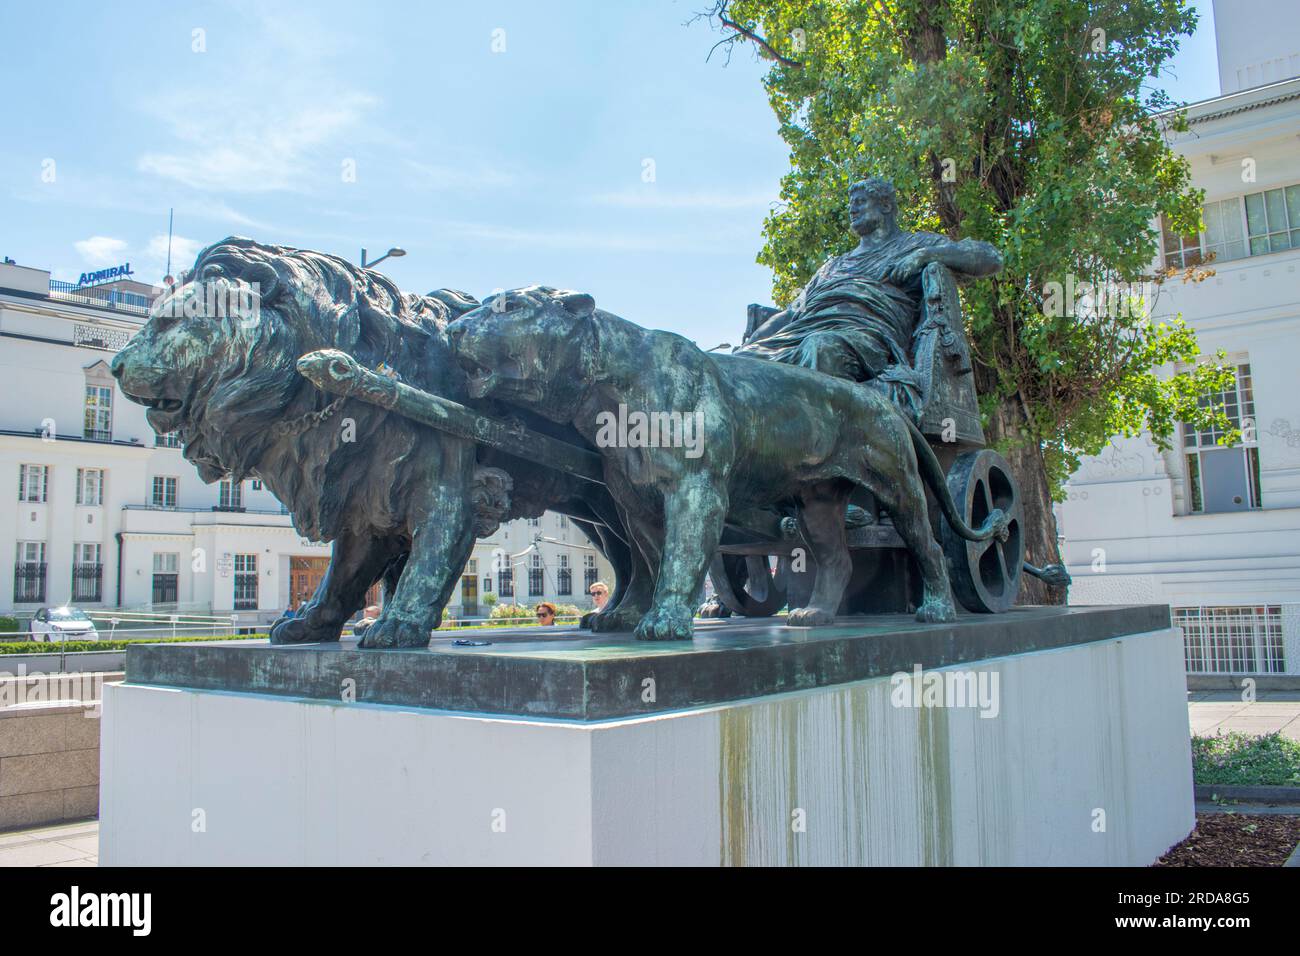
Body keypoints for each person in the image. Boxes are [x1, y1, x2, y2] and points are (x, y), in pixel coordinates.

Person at [736, 177, 1001, 421]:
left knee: (821, 348)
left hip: (865, 337)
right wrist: (750, 346)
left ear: (885, 205)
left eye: (860, 202)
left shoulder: (914, 245)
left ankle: (810, 451)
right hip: (804, 330)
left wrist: (925, 256)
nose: (852, 209)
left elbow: (990, 257)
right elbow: (791, 314)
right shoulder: (833, 266)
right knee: (740, 366)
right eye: (851, 204)